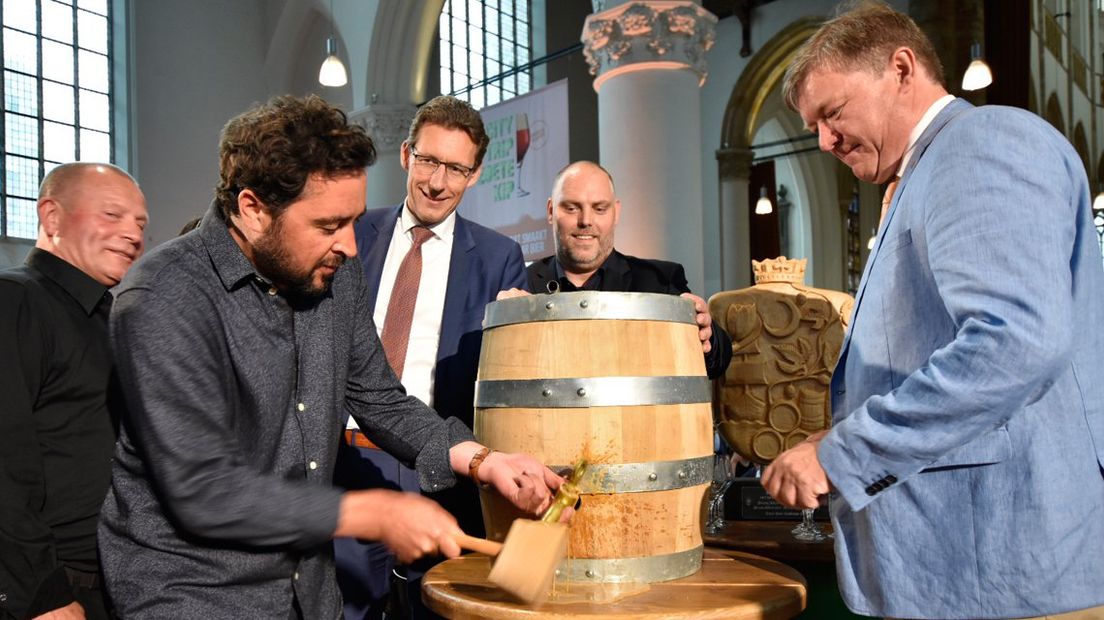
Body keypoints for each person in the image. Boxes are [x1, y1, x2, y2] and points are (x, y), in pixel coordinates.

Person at [97, 95, 562, 619]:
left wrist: (483, 460)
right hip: (194, 592)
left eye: (353, 222)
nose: (351, 246)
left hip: (307, 590)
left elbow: (380, 398)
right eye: (328, 226)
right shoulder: (165, 295)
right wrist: (371, 512)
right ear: (253, 209)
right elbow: (204, 489)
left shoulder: (336, 275)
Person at [760, 3, 1104, 619]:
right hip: (963, 572)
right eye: (814, 126)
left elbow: (1014, 342)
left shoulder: (979, 143)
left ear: (900, 69)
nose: (824, 141)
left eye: (832, 113)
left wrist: (845, 454)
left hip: (1005, 569)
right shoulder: (922, 174)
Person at [336, 95, 525, 618]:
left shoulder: (499, 258)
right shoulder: (352, 235)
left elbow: (512, 375)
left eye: (457, 169)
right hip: (346, 459)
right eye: (428, 161)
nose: (438, 182)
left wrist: (521, 325)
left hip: (440, 469)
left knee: (434, 609)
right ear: (405, 155)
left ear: (475, 174)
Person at [0, 163, 147, 620]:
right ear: (52, 217)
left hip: (114, 581)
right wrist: (42, 594)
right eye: (112, 215)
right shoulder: (15, 299)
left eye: (140, 223)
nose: (133, 234)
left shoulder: (110, 320)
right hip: (53, 591)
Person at [517, 161, 731, 379]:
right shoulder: (521, 284)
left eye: (599, 209)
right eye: (572, 208)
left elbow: (717, 362)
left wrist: (707, 335)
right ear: (551, 211)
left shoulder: (659, 281)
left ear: (616, 212)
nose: (586, 221)